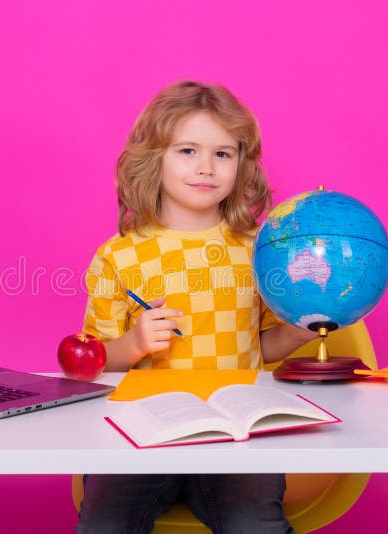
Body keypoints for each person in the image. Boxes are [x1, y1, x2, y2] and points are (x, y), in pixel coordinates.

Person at [78, 80, 316, 534]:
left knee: (255, 524)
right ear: (155, 159)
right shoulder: (120, 256)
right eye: (187, 151)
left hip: (237, 432)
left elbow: (260, 347)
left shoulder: (259, 250)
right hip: (144, 430)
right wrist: (133, 343)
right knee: (105, 522)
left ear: (241, 165)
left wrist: (298, 331)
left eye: (223, 154)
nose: (206, 168)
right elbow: (94, 359)